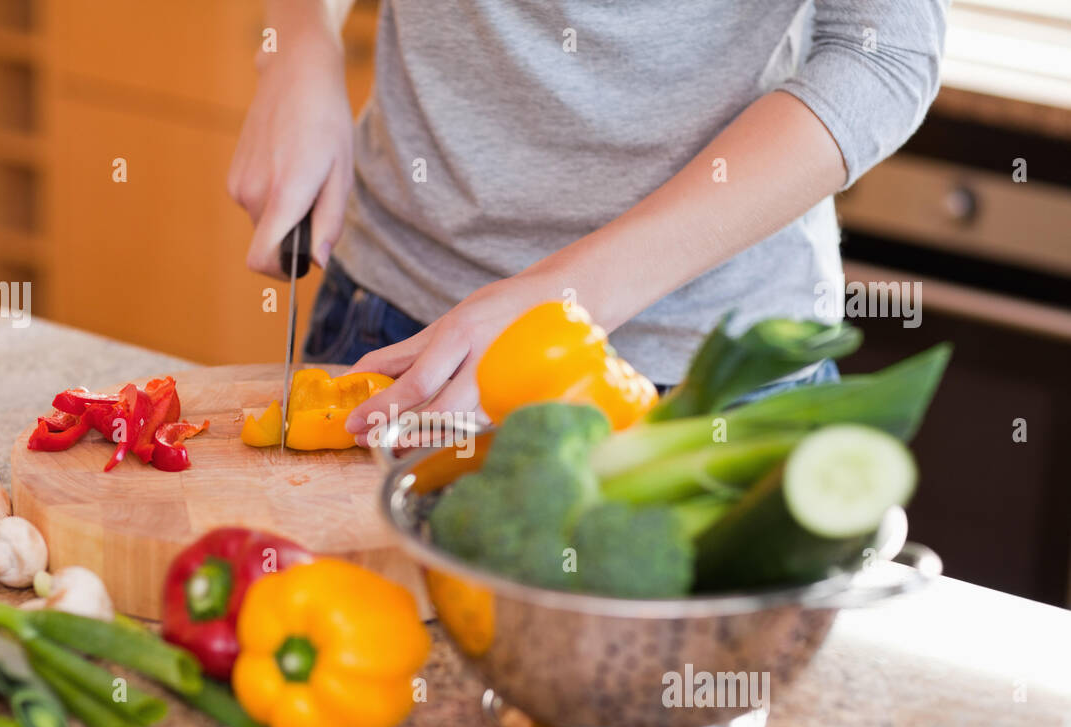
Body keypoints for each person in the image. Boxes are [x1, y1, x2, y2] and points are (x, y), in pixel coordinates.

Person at [228, 0, 948, 440]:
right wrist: (297, 47)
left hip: (706, 377)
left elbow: (881, 54)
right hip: (399, 325)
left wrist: (568, 299)